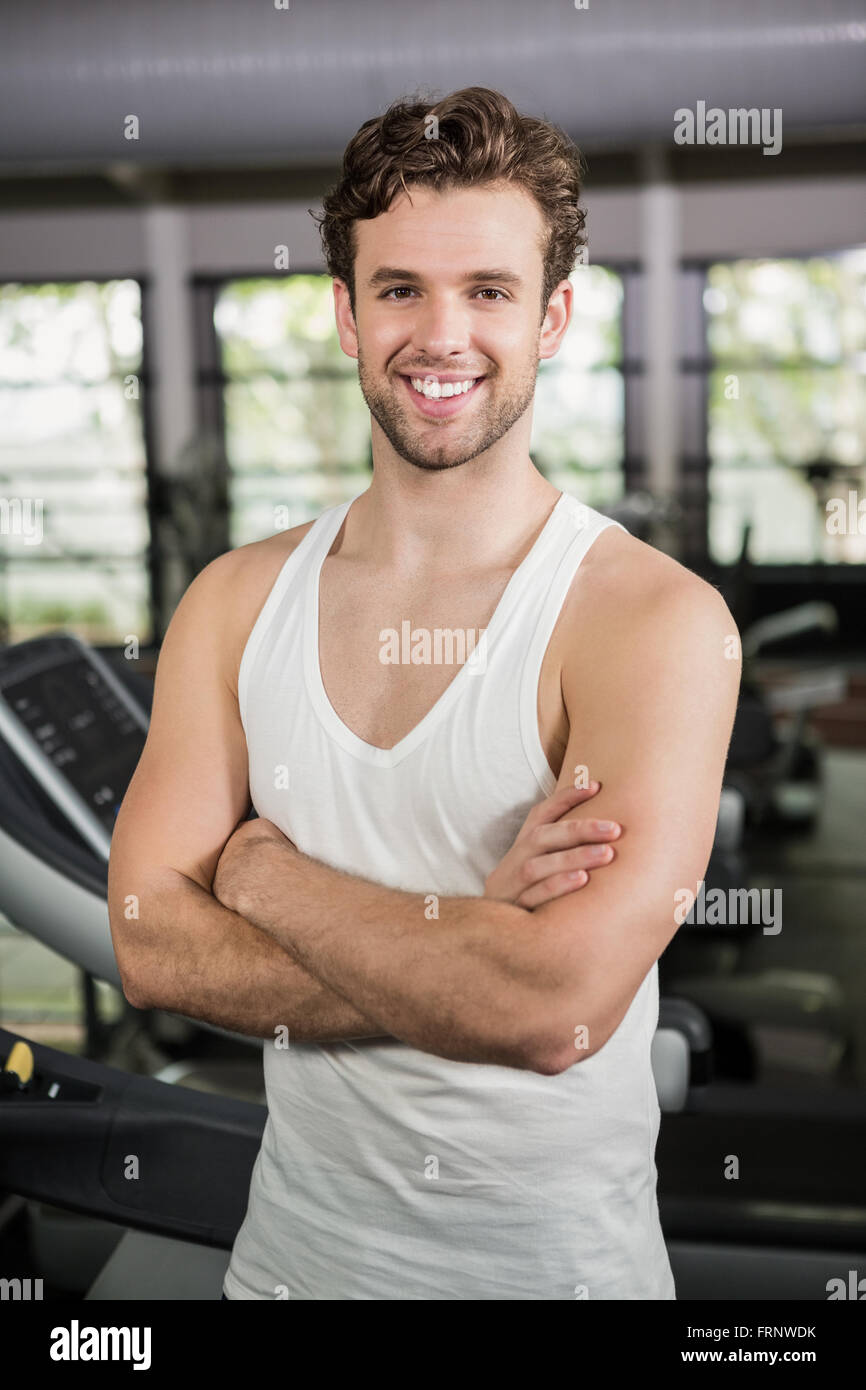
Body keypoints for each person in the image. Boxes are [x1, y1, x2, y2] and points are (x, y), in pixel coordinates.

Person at [107, 86, 740, 1300]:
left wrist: (260, 876)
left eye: (487, 291)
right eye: (399, 288)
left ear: (551, 315)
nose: (440, 336)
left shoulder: (649, 622)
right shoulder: (235, 603)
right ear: (346, 313)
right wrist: (465, 945)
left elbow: (550, 1011)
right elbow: (147, 948)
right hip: (286, 1274)